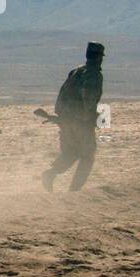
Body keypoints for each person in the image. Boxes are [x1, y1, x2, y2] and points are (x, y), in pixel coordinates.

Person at [42, 42, 105, 192]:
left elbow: (63, 94)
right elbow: (88, 97)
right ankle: (74, 190)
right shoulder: (93, 74)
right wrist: (92, 116)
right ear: (99, 58)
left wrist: (62, 116)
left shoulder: (76, 71)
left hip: (66, 119)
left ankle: (50, 174)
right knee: (87, 156)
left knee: (71, 152)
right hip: (81, 121)